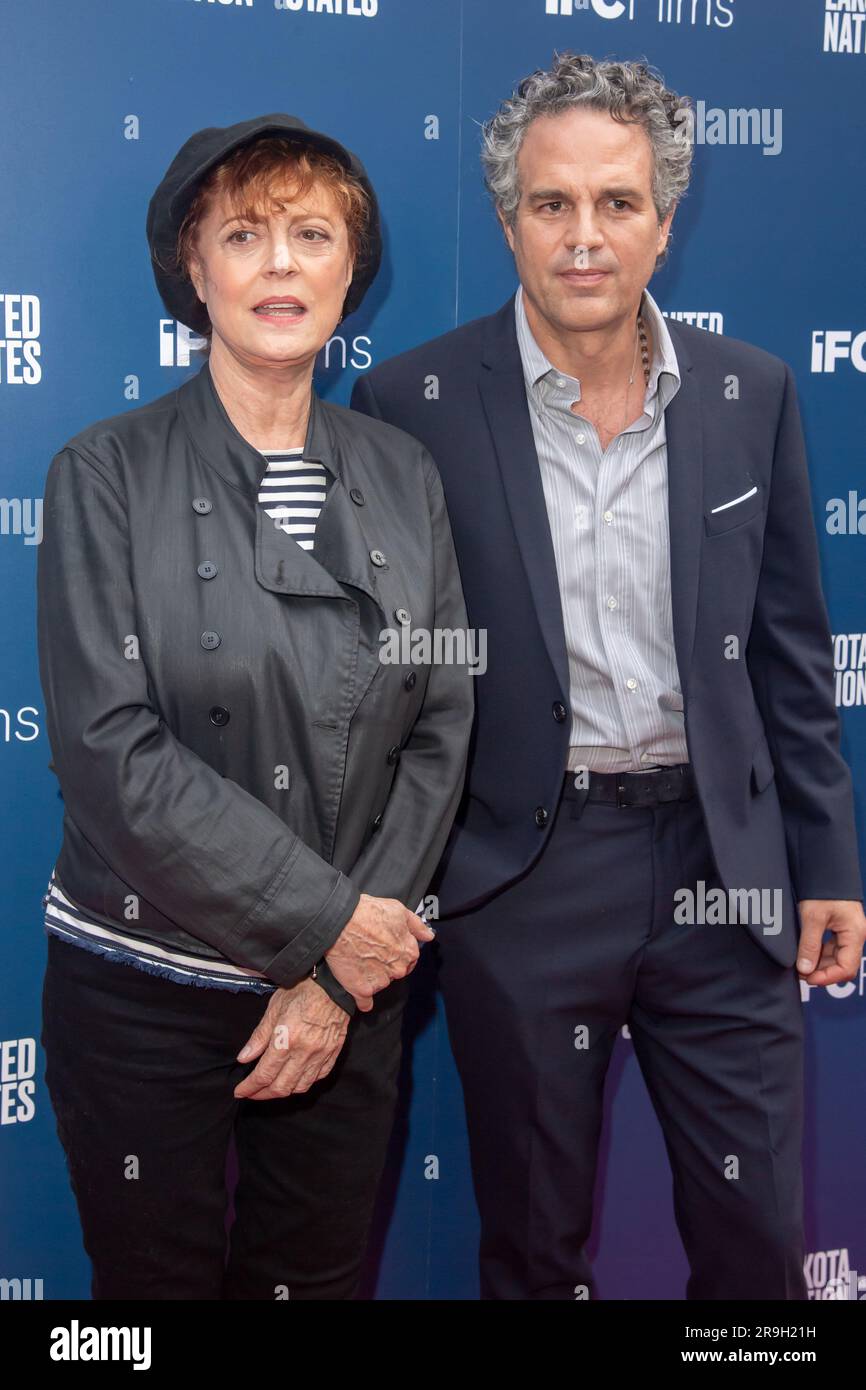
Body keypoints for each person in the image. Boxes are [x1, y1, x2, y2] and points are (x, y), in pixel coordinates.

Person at [351, 54, 866, 1300]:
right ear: (507, 218)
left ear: (663, 221)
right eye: (550, 205)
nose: (584, 238)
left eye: (616, 203)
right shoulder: (408, 403)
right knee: (532, 1250)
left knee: (756, 1254)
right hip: (522, 874)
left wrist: (828, 864)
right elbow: (381, 686)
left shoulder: (750, 392)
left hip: (720, 865)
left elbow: (793, 661)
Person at [37, 112, 474, 1300]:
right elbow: (108, 750)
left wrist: (336, 980)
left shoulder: (402, 475)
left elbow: (439, 718)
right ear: (196, 269)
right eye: (244, 234)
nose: (280, 263)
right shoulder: (104, 472)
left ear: (350, 269)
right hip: (145, 992)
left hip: (350, 1001)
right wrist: (331, 930)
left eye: (310, 233)